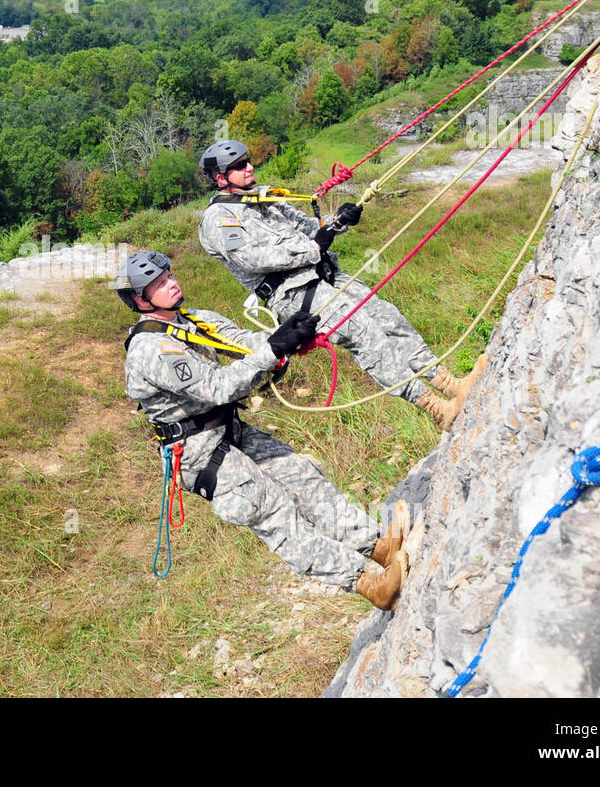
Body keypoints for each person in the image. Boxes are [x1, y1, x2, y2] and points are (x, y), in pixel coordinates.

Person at [115, 250, 409, 608]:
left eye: (169, 276)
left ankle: (379, 546)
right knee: (276, 513)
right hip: (199, 454)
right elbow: (217, 387)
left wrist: (289, 335)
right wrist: (272, 351)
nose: (172, 284)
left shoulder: (193, 321)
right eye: (160, 284)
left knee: (302, 474)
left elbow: (242, 342)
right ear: (141, 300)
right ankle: (369, 584)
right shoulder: (152, 348)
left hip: (228, 431)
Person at [196, 139, 485, 430]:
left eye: (248, 161)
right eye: (239, 166)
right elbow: (251, 259)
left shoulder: (263, 199)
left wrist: (338, 221)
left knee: (388, 317)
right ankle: (436, 409)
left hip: (324, 273)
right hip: (293, 292)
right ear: (221, 178)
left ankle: (449, 385)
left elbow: (309, 228)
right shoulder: (219, 219)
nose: (249, 167)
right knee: (365, 334)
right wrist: (313, 249)